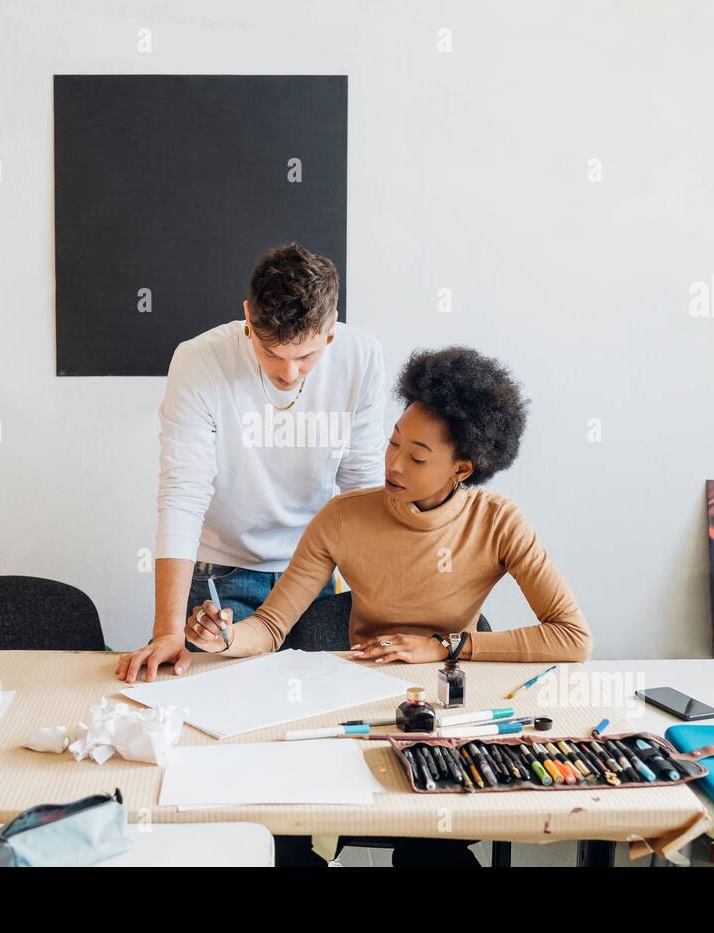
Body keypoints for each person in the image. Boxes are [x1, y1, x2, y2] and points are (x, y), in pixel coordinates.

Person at [186, 346, 590, 867]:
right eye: (393, 442)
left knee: (431, 854)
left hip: (447, 720)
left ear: (462, 468)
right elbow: (269, 624)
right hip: (358, 712)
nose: (393, 463)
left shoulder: (497, 522)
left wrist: (446, 645)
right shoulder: (344, 517)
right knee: (280, 835)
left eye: (418, 457)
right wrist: (224, 636)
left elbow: (572, 637)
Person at [116, 243, 385, 683]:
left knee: (319, 705)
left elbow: (362, 488)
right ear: (247, 316)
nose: (289, 374)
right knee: (220, 706)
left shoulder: (362, 357)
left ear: (332, 326)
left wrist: (382, 604)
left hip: (315, 571)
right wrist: (166, 631)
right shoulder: (199, 360)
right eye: (271, 353)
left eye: (306, 357)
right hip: (222, 574)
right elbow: (183, 495)